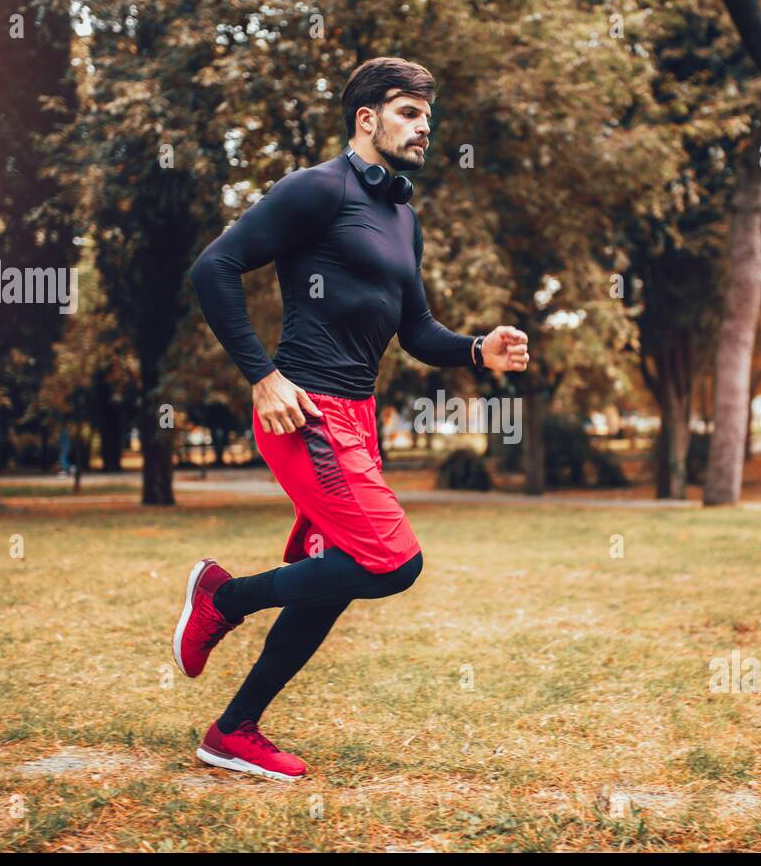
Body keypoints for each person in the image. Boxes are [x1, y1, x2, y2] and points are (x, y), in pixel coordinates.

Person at [176, 57, 529, 781]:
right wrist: (264, 377)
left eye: (428, 116)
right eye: (408, 112)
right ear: (366, 118)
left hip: (356, 419)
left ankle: (233, 730)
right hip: (304, 408)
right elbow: (214, 267)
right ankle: (223, 597)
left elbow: (418, 330)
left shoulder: (404, 218)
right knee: (394, 561)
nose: (424, 125)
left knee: (338, 575)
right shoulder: (318, 189)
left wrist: (476, 349)